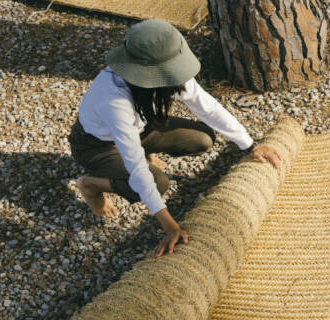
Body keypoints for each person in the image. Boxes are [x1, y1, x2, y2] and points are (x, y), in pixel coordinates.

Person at [69, 18, 282, 258]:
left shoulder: (171, 75)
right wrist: (169, 225)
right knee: (157, 182)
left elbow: (208, 108)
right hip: (97, 146)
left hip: (141, 128)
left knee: (202, 138)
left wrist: (250, 145)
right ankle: (90, 184)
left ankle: (146, 149)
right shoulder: (114, 100)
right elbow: (136, 166)